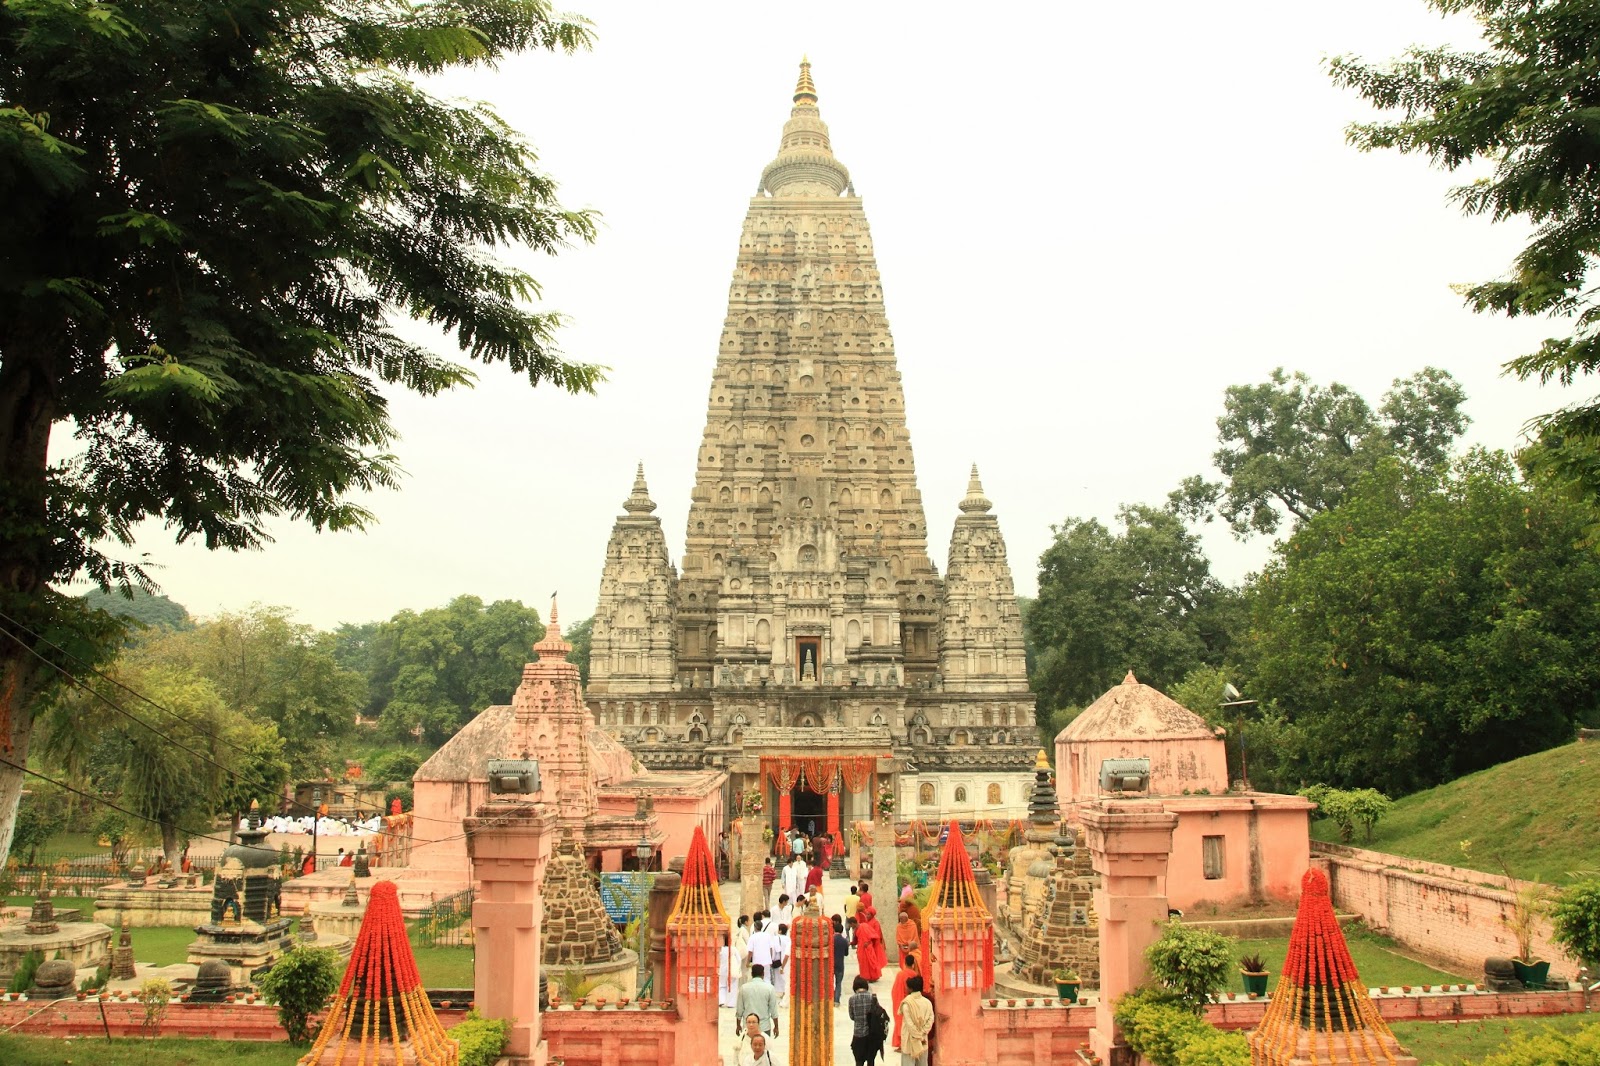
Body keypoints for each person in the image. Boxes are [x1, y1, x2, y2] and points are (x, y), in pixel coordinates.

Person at [733, 965, 780, 1041]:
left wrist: (738, 1025)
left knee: (747, 1050)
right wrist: (776, 1026)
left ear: (751, 974)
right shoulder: (770, 988)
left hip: (748, 1027)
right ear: (763, 974)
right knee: (762, 1050)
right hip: (764, 1027)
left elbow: (739, 1010)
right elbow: (773, 1010)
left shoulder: (744, 988)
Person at [847, 975, 884, 1066]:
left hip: (858, 1035)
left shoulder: (852, 999)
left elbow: (852, 1017)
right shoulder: (872, 998)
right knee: (871, 1061)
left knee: (859, 1061)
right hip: (871, 1035)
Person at [898, 975, 934, 1066]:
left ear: (910, 989)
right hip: (923, 1041)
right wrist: (922, 1034)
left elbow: (910, 1025)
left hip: (909, 1042)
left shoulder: (906, 1004)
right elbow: (931, 1020)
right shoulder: (927, 1003)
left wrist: (917, 1035)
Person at [890, 953, 920, 1050]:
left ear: (904, 963)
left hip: (900, 1001)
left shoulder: (900, 974)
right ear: (913, 964)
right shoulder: (914, 975)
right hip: (911, 1002)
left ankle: (901, 1044)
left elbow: (895, 990)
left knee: (900, 1022)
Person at [856, 906, 887, 981]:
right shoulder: (866, 923)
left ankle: (874, 976)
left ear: (872, 915)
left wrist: (869, 943)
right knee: (867, 963)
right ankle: (867, 975)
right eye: (866, 914)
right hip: (867, 946)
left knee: (873, 962)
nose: (867, 916)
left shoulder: (875, 923)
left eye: (868, 915)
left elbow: (877, 935)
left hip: (873, 945)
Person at [832, 913, 850, 1005]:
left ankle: (830, 998)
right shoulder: (844, 941)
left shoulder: (830, 939)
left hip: (831, 964)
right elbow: (846, 954)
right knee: (838, 983)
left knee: (830, 982)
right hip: (840, 964)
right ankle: (836, 1000)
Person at [771, 922, 791, 1003]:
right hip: (787, 960)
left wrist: (772, 959)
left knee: (778, 978)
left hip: (778, 960)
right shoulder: (788, 939)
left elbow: (775, 949)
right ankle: (785, 994)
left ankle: (780, 994)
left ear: (780, 931)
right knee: (785, 978)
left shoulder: (776, 938)